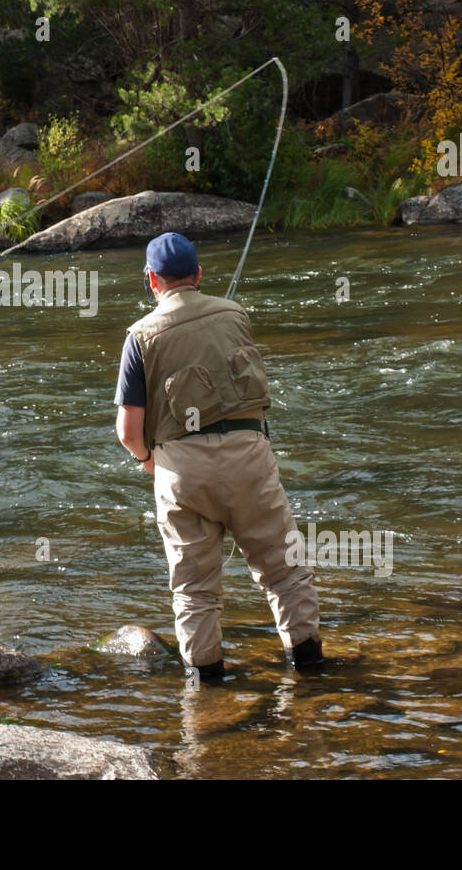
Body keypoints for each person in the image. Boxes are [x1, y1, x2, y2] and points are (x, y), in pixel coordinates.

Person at [113, 231, 323, 679]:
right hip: (249, 456)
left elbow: (129, 432)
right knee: (284, 570)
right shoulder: (236, 313)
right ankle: (310, 668)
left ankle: (207, 692)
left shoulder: (139, 336)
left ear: (152, 281)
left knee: (194, 591)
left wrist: (150, 463)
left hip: (182, 472)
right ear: (200, 275)